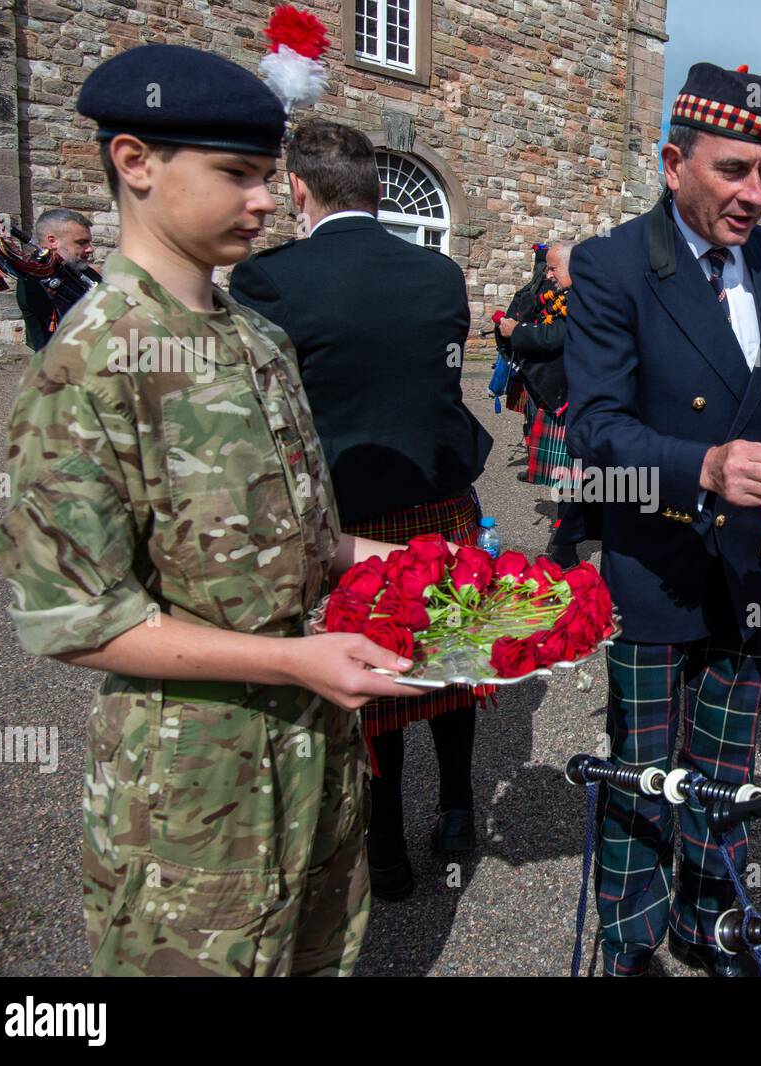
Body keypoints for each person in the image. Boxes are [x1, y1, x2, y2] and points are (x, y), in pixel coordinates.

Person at [0, 44, 426, 977]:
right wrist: (290, 659)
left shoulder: (261, 339)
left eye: (269, 177)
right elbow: (77, 620)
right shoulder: (87, 363)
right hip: (195, 791)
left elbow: (302, 542)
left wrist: (421, 566)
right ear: (135, 161)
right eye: (236, 174)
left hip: (316, 750)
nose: (267, 199)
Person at [565, 61, 761, 977]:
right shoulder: (610, 267)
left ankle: (712, 920)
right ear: (673, 161)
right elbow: (593, 431)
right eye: (733, 171)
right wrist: (707, 466)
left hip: (752, 567)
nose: (756, 194)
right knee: (644, 765)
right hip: (657, 562)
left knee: (724, 763)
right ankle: (633, 935)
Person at [230, 119, 493, 903]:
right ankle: (456, 810)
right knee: (452, 662)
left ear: (298, 190)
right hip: (440, 499)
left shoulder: (268, 280)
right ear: (379, 191)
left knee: (367, 680)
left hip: (347, 517)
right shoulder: (439, 274)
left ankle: (383, 853)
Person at [498, 241, 594, 566]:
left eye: (554, 268)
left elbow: (555, 337)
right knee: (566, 475)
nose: (548, 275)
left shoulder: (585, 299)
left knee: (572, 474)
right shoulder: (563, 296)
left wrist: (518, 331)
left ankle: (564, 546)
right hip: (560, 396)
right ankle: (563, 540)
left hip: (575, 399)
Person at [15, 208, 102, 350]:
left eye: (89, 242)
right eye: (81, 242)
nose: (90, 249)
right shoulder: (35, 278)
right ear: (52, 240)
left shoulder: (81, 271)